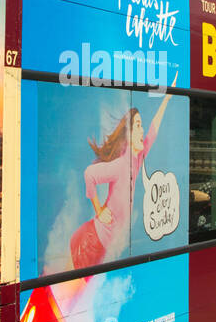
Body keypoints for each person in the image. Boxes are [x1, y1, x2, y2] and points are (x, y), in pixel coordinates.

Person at [69, 85, 175, 268]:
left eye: (142, 125)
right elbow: (89, 174)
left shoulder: (137, 159)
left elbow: (153, 131)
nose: (143, 131)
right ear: (129, 134)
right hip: (91, 244)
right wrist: (99, 210)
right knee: (77, 294)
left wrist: (166, 99)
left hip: (102, 246)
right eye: (138, 126)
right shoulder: (121, 165)